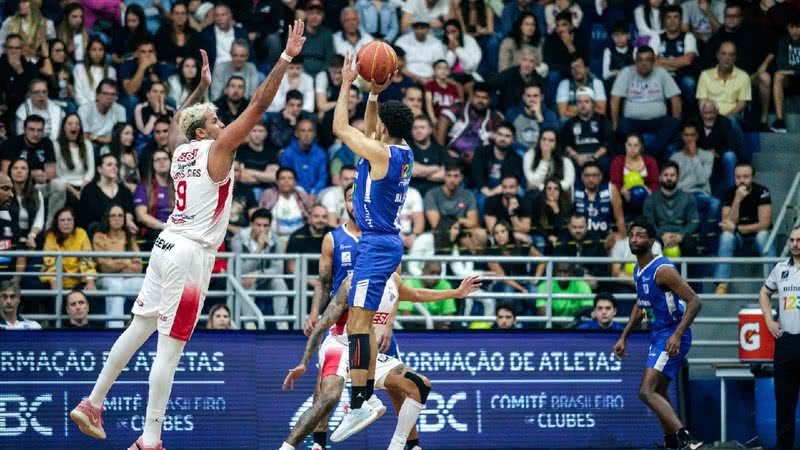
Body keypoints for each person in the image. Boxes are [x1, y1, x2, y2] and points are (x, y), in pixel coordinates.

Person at [69, 23, 306, 450]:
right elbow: (257, 104)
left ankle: (93, 401)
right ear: (205, 132)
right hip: (189, 254)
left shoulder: (181, 150)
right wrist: (286, 59)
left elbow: (182, 122)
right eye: (216, 120)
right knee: (169, 351)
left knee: (137, 329)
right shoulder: (217, 150)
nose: (223, 124)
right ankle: (151, 439)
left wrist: (199, 90)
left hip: (164, 246)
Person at [281, 270, 481, 450]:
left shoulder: (394, 280)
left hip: (369, 352)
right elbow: (323, 323)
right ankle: (288, 447)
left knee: (420, 385)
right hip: (340, 346)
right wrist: (304, 362)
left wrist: (456, 292)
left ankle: (397, 445)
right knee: (328, 398)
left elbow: (418, 294)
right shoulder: (354, 280)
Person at [329, 50, 415, 442]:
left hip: (377, 245)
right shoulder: (397, 152)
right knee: (357, 325)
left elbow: (341, 129)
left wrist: (349, 81)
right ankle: (362, 399)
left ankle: (362, 401)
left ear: (383, 129)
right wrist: (374, 95)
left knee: (358, 325)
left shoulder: (379, 153)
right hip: (381, 243)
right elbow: (365, 128)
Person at [613, 216, 702, 450]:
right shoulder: (638, 269)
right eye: (632, 235)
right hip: (660, 333)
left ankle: (685, 438)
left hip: (672, 333)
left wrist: (677, 334)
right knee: (659, 391)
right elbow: (640, 304)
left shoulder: (662, 270)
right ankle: (671, 442)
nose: (634, 239)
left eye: (640, 235)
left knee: (645, 391)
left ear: (651, 241)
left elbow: (694, 301)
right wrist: (624, 336)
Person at [759, 226, 800, 450]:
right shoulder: (780, 269)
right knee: (784, 401)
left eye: (799, 240)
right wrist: (768, 318)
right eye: (792, 240)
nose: (795, 244)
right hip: (785, 343)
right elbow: (764, 292)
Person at [610, 46, 682, 163]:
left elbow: (675, 99)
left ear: (653, 62)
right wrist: (614, 124)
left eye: (648, 60)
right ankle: (648, 158)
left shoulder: (662, 73)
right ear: (635, 61)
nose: (644, 63)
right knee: (621, 126)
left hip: (657, 120)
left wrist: (675, 121)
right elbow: (615, 99)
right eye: (640, 60)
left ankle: (650, 155)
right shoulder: (626, 72)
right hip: (632, 120)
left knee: (673, 124)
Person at [715, 163, 774, 295]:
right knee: (726, 237)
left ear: (752, 177)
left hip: (756, 238)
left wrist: (736, 228)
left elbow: (764, 224)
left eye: (746, 177)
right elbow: (727, 224)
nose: (742, 181)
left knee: (763, 235)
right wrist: (737, 200)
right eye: (738, 177)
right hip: (738, 240)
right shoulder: (730, 193)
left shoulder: (762, 191)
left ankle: (773, 282)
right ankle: (722, 283)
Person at [231, 208, 288, 325]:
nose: (262, 229)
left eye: (265, 226)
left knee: (279, 282)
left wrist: (257, 274)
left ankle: (282, 324)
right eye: (258, 225)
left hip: (264, 279)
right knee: (247, 281)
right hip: (243, 280)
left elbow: (278, 269)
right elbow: (240, 270)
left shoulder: (276, 240)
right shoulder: (238, 239)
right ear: (251, 224)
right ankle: (249, 323)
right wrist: (259, 250)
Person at [93, 204, 144, 329]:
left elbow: (138, 266)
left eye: (120, 215)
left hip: (126, 279)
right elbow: (104, 267)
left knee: (147, 285)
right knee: (116, 286)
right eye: (113, 215)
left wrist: (116, 264)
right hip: (105, 279)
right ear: (108, 218)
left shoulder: (129, 237)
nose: (117, 218)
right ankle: (114, 329)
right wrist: (127, 262)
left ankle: (145, 329)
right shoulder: (99, 237)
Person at [695, 42, 750, 145]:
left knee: (731, 121)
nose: (727, 58)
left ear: (735, 58)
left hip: (732, 116)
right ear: (718, 55)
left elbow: (742, 104)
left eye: (731, 54)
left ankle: (742, 158)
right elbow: (702, 103)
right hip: (709, 115)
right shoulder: (705, 75)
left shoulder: (743, 76)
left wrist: (723, 119)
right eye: (724, 54)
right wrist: (712, 117)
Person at [643, 162, 699, 256]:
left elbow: (694, 222)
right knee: (651, 243)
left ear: (678, 177)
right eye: (666, 175)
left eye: (672, 175)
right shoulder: (650, 199)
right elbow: (649, 224)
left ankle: (686, 271)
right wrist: (661, 235)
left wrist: (681, 235)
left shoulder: (688, 198)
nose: (669, 178)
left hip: (682, 236)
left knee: (690, 244)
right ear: (660, 177)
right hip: (659, 237)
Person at [651, 5, 698, 108]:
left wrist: (662, 61)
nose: (672, 21)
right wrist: (675, 64)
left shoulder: (688, 37)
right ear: (664, 20)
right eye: (669, 17)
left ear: (681, 20)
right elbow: (651, 61)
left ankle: (689, 116)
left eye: (676, 17)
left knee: (689, 82)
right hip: (662, 77)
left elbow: (687, 61)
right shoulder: (657, 37)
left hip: (683, 77)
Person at [41, 207, 96, 290]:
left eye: (69, 220)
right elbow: (50, 263)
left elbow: (87, 260)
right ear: (57, 223)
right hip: (57, 279)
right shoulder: (51, 236)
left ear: (74, 221)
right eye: (62, 220)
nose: (66, 223)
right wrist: (54, 286)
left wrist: (90, 282)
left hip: (78, 280)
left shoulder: (81, 233)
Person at [78, 154, 137, 232]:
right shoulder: (89, 190)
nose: (114, 168)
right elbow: (87, 217)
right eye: (109, 165)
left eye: (116, 165)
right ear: (99, 169)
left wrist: (128, 221)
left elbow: (129, 211)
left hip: (120, 230)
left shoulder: (124, 190)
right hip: (97, 231)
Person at [258, 167, 314, 248]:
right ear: (277, 181)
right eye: (282, 178)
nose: (286, 181)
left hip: (299, 240)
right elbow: (260, 217)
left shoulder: (301, 195)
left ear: (295, 182)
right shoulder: (268, 194)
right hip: (274, 240)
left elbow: (310, 216)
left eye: (290, 178)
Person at [560, 87, 612, 174]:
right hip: (578, 158)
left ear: (593, 103)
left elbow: (607, 143)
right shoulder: (570, 122)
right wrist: (576, 157)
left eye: (586, 101)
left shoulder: (602, 120)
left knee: (606, 161)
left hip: (598, 157)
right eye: (579, 102)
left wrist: (594, 158)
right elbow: (566, 144)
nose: (583, 105)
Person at [573, 162, 626, 244]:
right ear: (582, 177)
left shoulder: (610, 189)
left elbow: (620, 218)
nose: (591, 179)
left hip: (606, 240)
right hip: (581, 240)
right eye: (587, 175)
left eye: (595, 175)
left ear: (601, 176)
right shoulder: (574, 191)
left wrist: (621, 235)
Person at [398, 261, 458, 329]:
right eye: (432, 273)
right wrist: (433, 323)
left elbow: (449, 315)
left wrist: (438, 323)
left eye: (438, 274)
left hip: (436, 325)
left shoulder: (445, 285)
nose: (435, 277)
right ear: (423, 271)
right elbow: (405, 315)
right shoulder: (409, 283)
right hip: (413, 326)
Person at [424, 162, 480, 233]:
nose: (452, 180)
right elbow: (435, 224)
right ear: (444, 177)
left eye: (456, 176)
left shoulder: (468, 195)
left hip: (462, 232)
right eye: (449, 176)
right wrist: (460, 221)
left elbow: (473, 223)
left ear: (461, 178)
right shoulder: (432, 195)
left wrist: (451, 223)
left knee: (481, 233)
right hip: (440, 233)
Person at [134, 149, 174, 246]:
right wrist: (164, 226)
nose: (162, 162)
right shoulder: (144, 187)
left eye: (165, 159)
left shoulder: (178, 186)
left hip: (179, 229)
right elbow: (141, 216)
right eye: (158, 160)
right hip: (156, 231)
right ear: (152, 164)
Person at [0, 114, 55, 184]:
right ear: (24, 130)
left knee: (57, 184)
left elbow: (51, 174)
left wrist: (43, 177)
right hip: (16, 184)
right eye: (31, 129)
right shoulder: (11, 143)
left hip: (41, 184)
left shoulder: (47, 143)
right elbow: (5, 173)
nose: (35, 134)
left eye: (39, 130)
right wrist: (31, 174)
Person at [280, 118, 328, 196]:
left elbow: (322, 178)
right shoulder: (288, 153)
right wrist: (301, 193)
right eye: (303, 131)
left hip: (316, 193)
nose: (307, 134)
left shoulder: (321, 153)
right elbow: (287, 177)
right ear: (296, 133)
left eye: (310, 130)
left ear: (315, 133)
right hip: (294, 192)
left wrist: (314, 192)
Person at [395, 12, 446, 83]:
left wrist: (430, 79)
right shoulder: (402, 41)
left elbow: (440, 65)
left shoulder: (436, 43)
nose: (419, 31)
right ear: (412, 27)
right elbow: (397, 64)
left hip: (431, 79)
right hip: (407, 78)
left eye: (422, 27)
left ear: (428, 28)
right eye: (416, 27)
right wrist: (417, 78)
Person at [505, 83, 558, 149]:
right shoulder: (512, 113)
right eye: (528, 96)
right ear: (523, 97)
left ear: (541, 97)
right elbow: (507, 137)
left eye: (535, 96)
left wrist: (539, 116)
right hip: (518, 152)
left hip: (540, 153)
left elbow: (551, 140)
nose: (532, 99)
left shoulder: (550, 115)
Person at [771, 15, 800, 133]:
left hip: (794, 75)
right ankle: (779, 121)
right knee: (778, 75)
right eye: (791, 27)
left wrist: (793, 70)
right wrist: (795, 70)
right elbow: (781, 65)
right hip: (790, 80)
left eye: (798, 27)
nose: (794, 30)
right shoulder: (784, 40)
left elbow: (786, 67)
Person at [78, 79, 127, 149]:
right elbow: (85, 136)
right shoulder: (84, 110)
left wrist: (95, 137)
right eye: (105, 93)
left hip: (111, 147)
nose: (109, 97)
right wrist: (108, 139)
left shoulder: (120, 110)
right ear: (97, 95)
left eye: (113, 94)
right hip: (90, 146)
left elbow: (121, 138)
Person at [7, 158, 44, 248]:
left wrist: (31, 236)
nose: (19, 171)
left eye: (23, 168)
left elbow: (39, 220)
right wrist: (19, 238)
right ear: (10, 172)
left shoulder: (37, 194)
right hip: (7, 236)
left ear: (28, 173)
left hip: (31, 236)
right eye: (15, 168)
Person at [484, 175, 532, 243]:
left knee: (528, 239)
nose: (507, 190)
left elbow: (525, 229)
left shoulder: (524, 202)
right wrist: (514, 234)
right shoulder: (491, 201)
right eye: (504, 187)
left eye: (511, 187)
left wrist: (512, 213)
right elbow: (492, 229)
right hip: (497, 236)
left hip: (516, 235)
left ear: (517, 188)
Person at [524, 127, 574, 192]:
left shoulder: (565, 160)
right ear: (539, 141)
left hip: (559, 195)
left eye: (551, 140)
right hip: (537, 196)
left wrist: (541, 187)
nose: (546, 143)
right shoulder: (530, 154)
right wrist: (545, 160)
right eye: (544, 139)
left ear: (556, 143)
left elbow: (567, 184)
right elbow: (533, 180)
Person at [556, 56, 606, 120]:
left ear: (587, 69)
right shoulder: (565, 84)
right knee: (563, 120)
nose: (576, 70)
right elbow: (562, 113)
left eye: (578, 66)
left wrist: (576, 108)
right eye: (572, 68)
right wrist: (588, 108)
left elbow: (601, 111)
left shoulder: (596, 83)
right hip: (572, 121)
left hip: (592, 119)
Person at [410, 115, 448, 196]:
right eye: (415, 128)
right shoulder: (405, 149)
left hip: (437, 195)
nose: (418, 131)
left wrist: (420, 173)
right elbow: (412, 171)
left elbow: (446, 175)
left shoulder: (440, 150)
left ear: (430, 130)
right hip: (412, 194)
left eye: (422, 127)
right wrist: (436, 168)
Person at [73, 37, 116, 107]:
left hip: (105, 109)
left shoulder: (111, 71)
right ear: (88, 52)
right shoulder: (79, 69)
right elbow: (78, 95)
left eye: (100, 50)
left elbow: (112, 95)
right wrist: (92, 110)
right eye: (94, 50)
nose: (97, 53)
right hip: (85, 109)